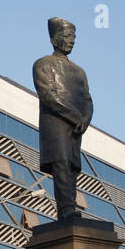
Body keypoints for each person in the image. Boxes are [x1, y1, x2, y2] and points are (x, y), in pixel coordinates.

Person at [32, 17, 93, 220]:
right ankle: (66, 210)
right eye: (67, 36)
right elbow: (49, 96)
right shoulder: (43, 64)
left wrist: (85, 120)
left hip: (75, 129)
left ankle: (70, 208)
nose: (71, 40)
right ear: (54, 39)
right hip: (56, 125)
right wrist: (76, 117)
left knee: (73, 167)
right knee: (62, 163)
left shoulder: (79, 71)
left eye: (73, 37)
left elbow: (87, 99)